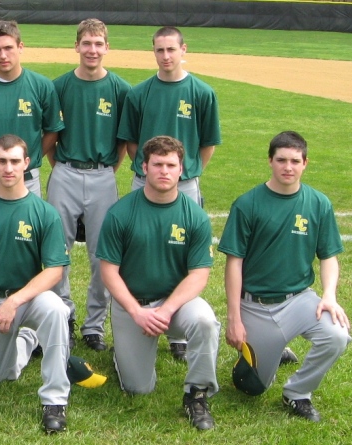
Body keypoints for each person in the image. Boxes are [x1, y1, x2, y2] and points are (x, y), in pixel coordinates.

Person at [219, 131, 350, 422]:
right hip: (256, 304)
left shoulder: (318, 203)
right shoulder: (247, 204)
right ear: (270, 161)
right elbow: (234, 263)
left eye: (294, 160)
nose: (287, 167)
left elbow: (328, 256)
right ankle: (270, 348)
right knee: (249, 386)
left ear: (305, 163)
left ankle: (298, 393)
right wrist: (234, 317)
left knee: (337, 336)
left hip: (299, 300)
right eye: (281, 160)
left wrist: (329, 295)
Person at [96, 135, 220, 431]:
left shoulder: (195, 216)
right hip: (134, 306)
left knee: (205, 320)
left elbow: (199, 274)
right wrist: (137, 312)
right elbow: (109, 272)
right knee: (138, 388)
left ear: (182, 170)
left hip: (175, 305)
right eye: (158, 164)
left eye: (171, 165)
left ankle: (197, 393)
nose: (164, 171)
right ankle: (124, 354)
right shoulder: (121, 213)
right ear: (144, 167)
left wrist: (167, 310)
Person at [117, 26, 221, 360]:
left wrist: (188, 172)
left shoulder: (202, 92)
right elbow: (132, 142)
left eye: (171, 50)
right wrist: (147, 169)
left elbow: (207, 144)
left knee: (183, 252)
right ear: (154, 52)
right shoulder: (139, 93)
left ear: (183, 49)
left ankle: (179, 330)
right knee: (143, 248)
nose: (165, 56)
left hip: (185, 183)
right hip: (143, 180)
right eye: (159, 50)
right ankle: (139, 310)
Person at [0, 134, 73, 433]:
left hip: (28, 298)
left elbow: (55, 271)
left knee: (56, 309)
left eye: (14, 161)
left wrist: (14, 301)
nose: (8, 168)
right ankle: (26, 340)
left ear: (27, 163)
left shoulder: (44, 212)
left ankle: (55, 400)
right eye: (2, 161)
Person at [47, 18, 131, 351]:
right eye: (86, 43)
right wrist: (63, 167)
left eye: (98, 44)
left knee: (102, 255)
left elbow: (122, 141)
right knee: (58, 249)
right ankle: (63, 313)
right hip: (65, 170)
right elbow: (51, 135)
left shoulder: (120, 89)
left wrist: (105, 171)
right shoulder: (59, 86)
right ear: (77, 46)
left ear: (107, 48)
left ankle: (94, 325)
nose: (92, 50)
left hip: (102, 175)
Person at [0, 20, 64, 198]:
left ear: (20, 47)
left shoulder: (42, 86)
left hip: (28, 180)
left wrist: (31, 156)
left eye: (8, 48)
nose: (3, 55)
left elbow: (53, 130)